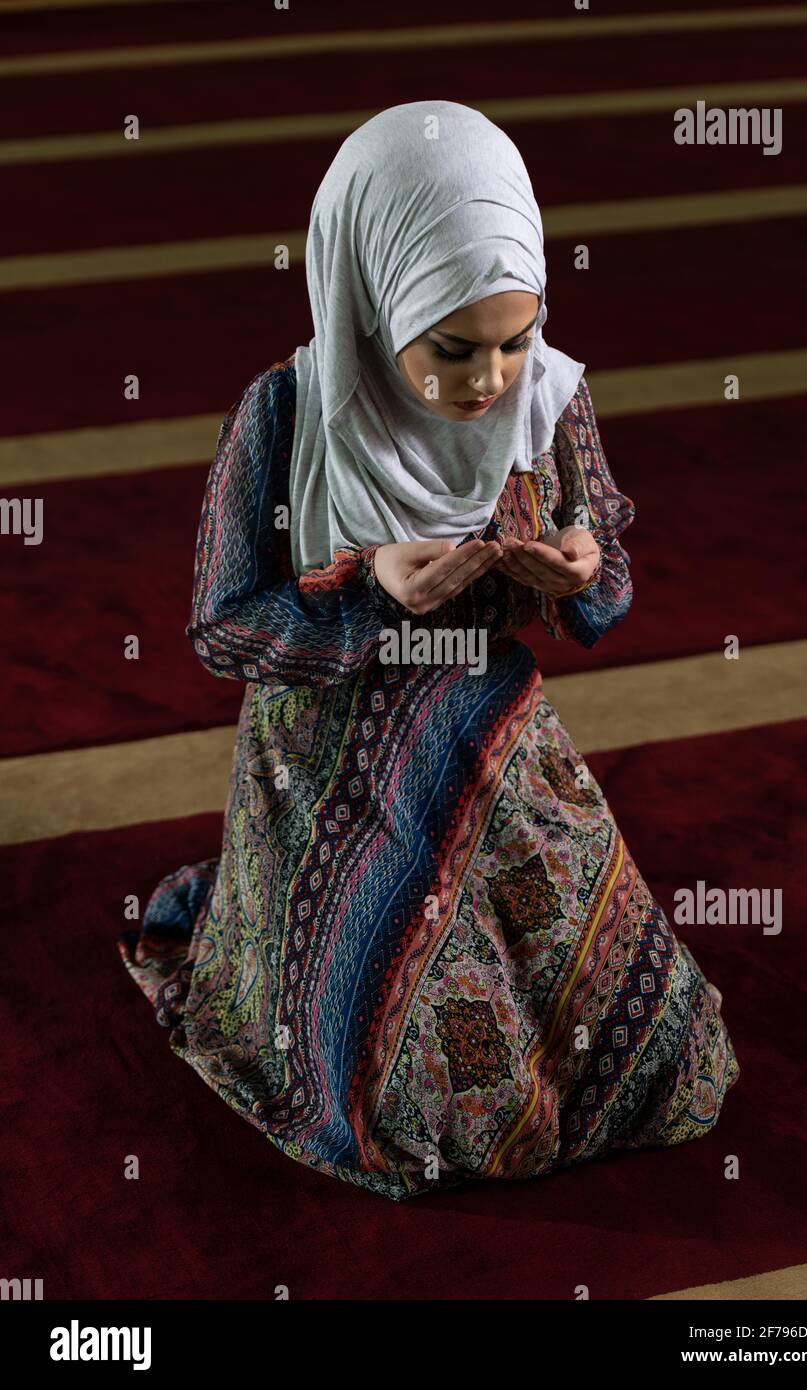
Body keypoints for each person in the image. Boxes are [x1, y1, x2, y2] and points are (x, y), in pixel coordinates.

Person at [118, 100, 739, 1201]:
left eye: (513, 340)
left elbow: (611, 587)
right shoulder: (285, 415)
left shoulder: (550, 398)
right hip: (322, 764)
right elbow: (223, 629)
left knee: (662, 1057)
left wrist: (580, 574)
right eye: (451, 350)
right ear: (369, 299)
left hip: (493, 734)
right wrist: (367, 588)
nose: (489, 381)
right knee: (422, 1107)